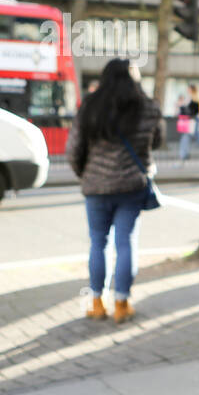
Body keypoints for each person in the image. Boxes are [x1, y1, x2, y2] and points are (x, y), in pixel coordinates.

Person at [66, 58, 163, 323]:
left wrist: (84, 173)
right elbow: (157, 141)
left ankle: (96, 302)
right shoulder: (147, 108)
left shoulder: (90, 106)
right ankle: (122, 302)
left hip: (96, 186)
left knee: (98, 242)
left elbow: (73, 149)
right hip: (131, 186)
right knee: (126, 242)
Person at [177, 84, 199, 164]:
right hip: (193, 120)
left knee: (197, 136)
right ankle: (183, 155)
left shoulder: (195, 98)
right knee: (189, 136)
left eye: (189, 89)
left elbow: (198, 111)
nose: (188, 91)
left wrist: (182, 106)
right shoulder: (196, 97)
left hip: (194, 120)